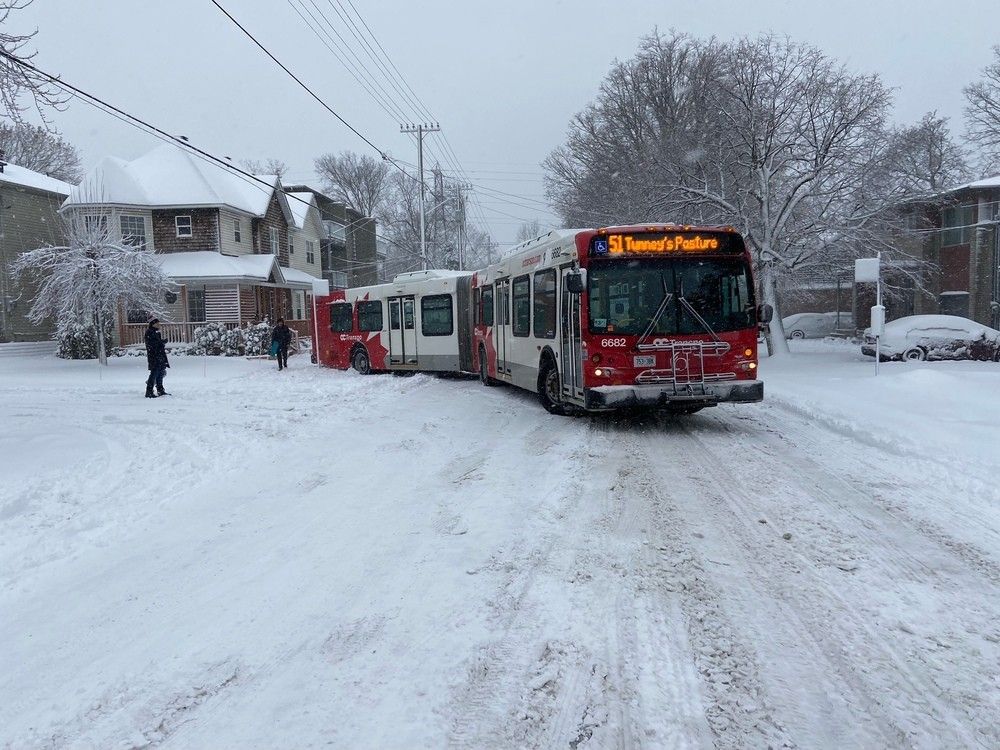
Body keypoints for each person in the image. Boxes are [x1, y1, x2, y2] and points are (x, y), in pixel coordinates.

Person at [144, 318, 170, 398]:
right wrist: (162, 342)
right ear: (153, 324)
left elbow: (157, 343)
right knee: (154, 374)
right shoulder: (149, 332)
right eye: (157, 323)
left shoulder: (156, 332)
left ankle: (160, 390)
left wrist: (162, 342)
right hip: (154, 357)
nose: (159, 325)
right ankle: (149, 391)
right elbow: (152, 344)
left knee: (160, 373)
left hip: (160, 356)